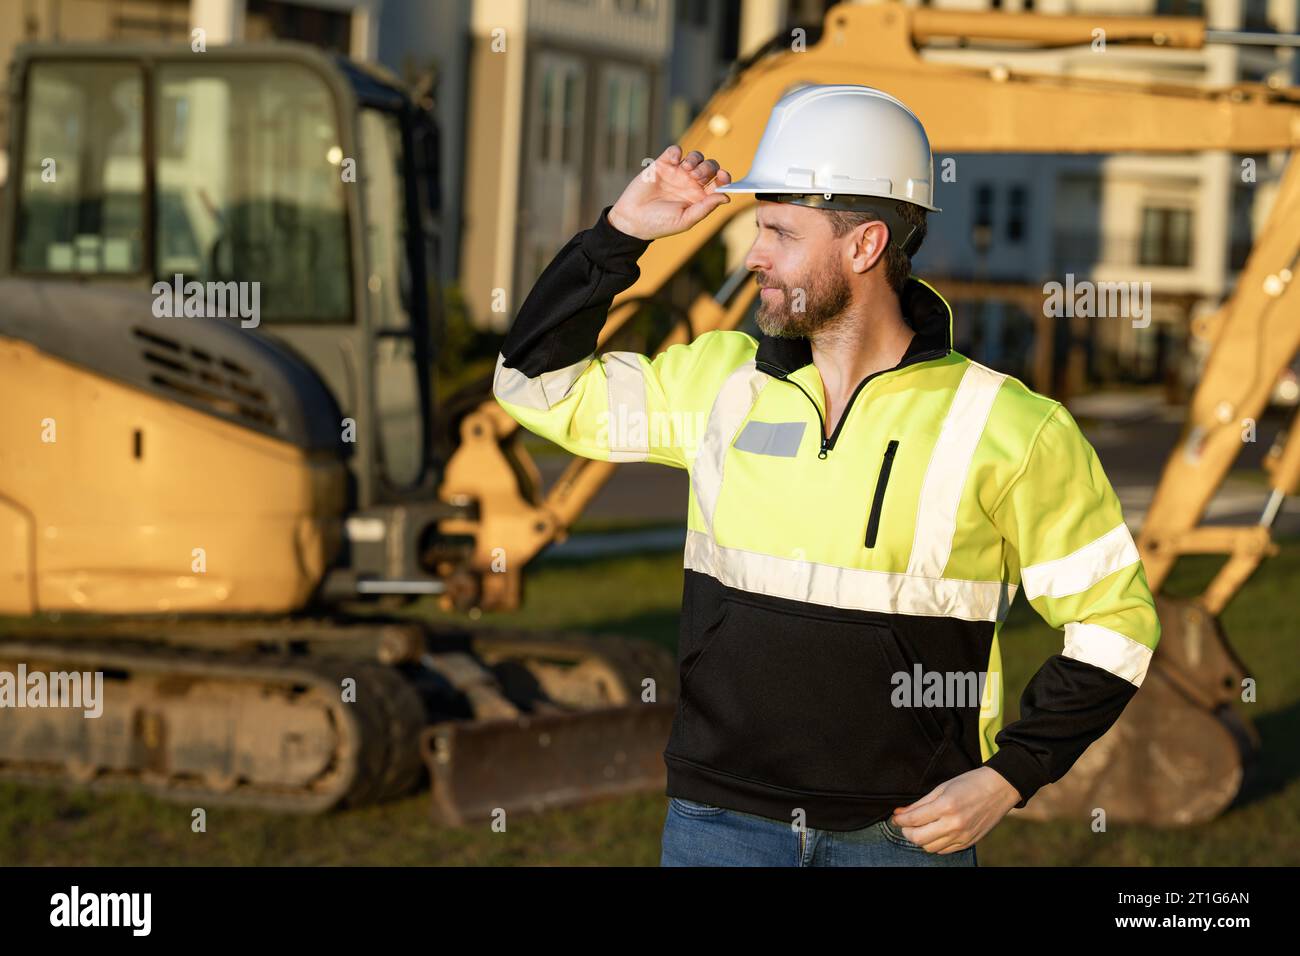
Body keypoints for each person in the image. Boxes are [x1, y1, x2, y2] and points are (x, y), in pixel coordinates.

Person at [492, 84, 1161, 867]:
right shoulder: (720, 383)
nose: (753, 256)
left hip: (903, 839)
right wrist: (620, 234)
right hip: (718, 825)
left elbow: (1117, 629)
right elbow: (534, 386)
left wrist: (1011, 777)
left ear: (864, 245)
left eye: (778, 231)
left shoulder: (1010, 426)